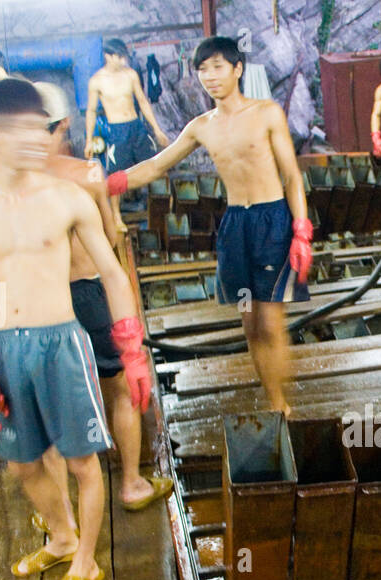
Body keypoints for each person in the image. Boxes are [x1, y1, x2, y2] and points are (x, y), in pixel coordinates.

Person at [0, 78, 153, 580]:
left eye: (39, 127)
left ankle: (88, 562)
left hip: (63, 341)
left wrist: (132, 350)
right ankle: (61, 538)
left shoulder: (66, 198)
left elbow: (113, 273)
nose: (35, 138)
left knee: (83, 461)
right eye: (19, 129)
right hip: (7, 347)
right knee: (22, 463)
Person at [108, 35, 311, 416]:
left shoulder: (267, 113)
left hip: (273, 222)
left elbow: (292, 176)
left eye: (218, 67)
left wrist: (301, 229)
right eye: (202, 69)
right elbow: (156, 166)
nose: (210, 76)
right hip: (236, 226)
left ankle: (282, 406)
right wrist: (109, 182)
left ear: (237, 69)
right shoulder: (201, 126)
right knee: (249, 323)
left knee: (270, 321)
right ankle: (271, 397)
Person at [34, 81, 172, 517]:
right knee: (119, 389)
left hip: (43, 300)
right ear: (65, 126)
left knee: (51, 397)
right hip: (86, 291)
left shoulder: (8, 185)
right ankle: (129, 483)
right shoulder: (86, 173)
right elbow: (111, 238)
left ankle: (59, 509)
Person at [85, 38, 168, 214]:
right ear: (108, 56)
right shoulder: (97, 81)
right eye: (119, 57)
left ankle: (164, 207)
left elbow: (143, 102)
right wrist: (88, 140)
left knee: (156, 166)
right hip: (116, 130)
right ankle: (116, 215)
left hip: (136, 126)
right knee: (116, 175)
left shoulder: (130, 74)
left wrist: (157, 129)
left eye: (124, 57)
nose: (123, 61)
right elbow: (91, 111)